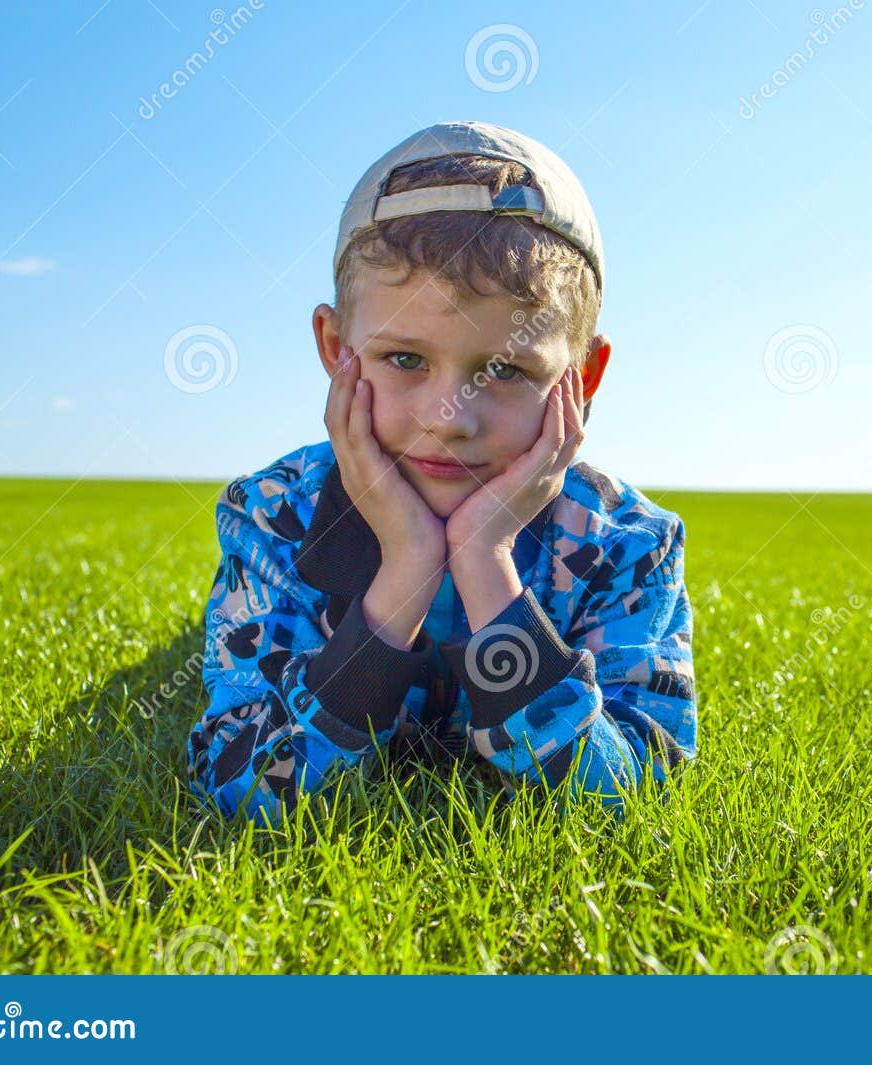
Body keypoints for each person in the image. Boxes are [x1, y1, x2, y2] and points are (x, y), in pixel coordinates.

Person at [183, 121, 696, 826]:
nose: (449, 416)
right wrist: (406, 572)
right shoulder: (276, 517)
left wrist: (487, 566)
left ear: (584, 377)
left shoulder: (627, 547)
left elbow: (624, 801)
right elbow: (246, 790)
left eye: (506, 369)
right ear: (337, 349)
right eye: (404, 359)